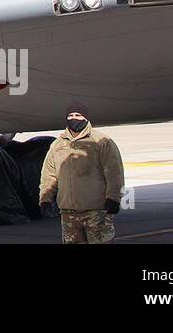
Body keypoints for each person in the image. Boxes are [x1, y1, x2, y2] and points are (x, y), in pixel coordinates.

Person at [38, 102, 125, 244]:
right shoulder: (58, 145)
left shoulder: (101, 142)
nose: (74, 118)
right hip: (69, 214)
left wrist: (114, 198)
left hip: (96, 211)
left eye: (78, 115)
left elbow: (114, 172)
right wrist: (45, 199)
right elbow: (49, 175)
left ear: (86, 118)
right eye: (70, 115)